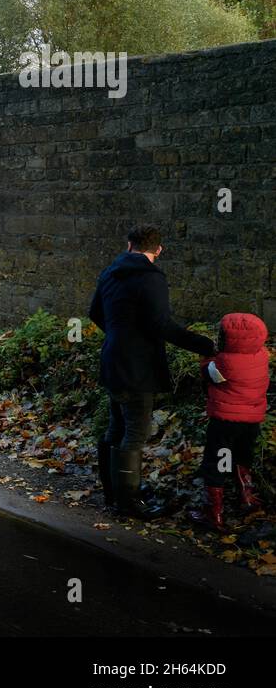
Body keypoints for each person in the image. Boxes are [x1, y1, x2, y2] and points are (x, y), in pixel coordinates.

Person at [88, 225, 216, 519]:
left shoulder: (110, 272)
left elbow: (95, 312)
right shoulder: (151, 278)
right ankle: (128, 503)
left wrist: (120, 336)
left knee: (116, 427)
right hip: (138, 366)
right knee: (134, 432)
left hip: (112, 359)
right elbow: (162, 325)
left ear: (129, 244)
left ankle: (114, 491)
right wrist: (204, 344)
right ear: (159, 250)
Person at [189, 313, 270, 532]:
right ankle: (247, 498)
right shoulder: (263, 355)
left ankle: (214, 512)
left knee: (219, 460)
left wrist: (207, 358)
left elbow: (208, 374)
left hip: (226, 422)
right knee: (242, 456)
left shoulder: (223, 363)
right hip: (251, 422)